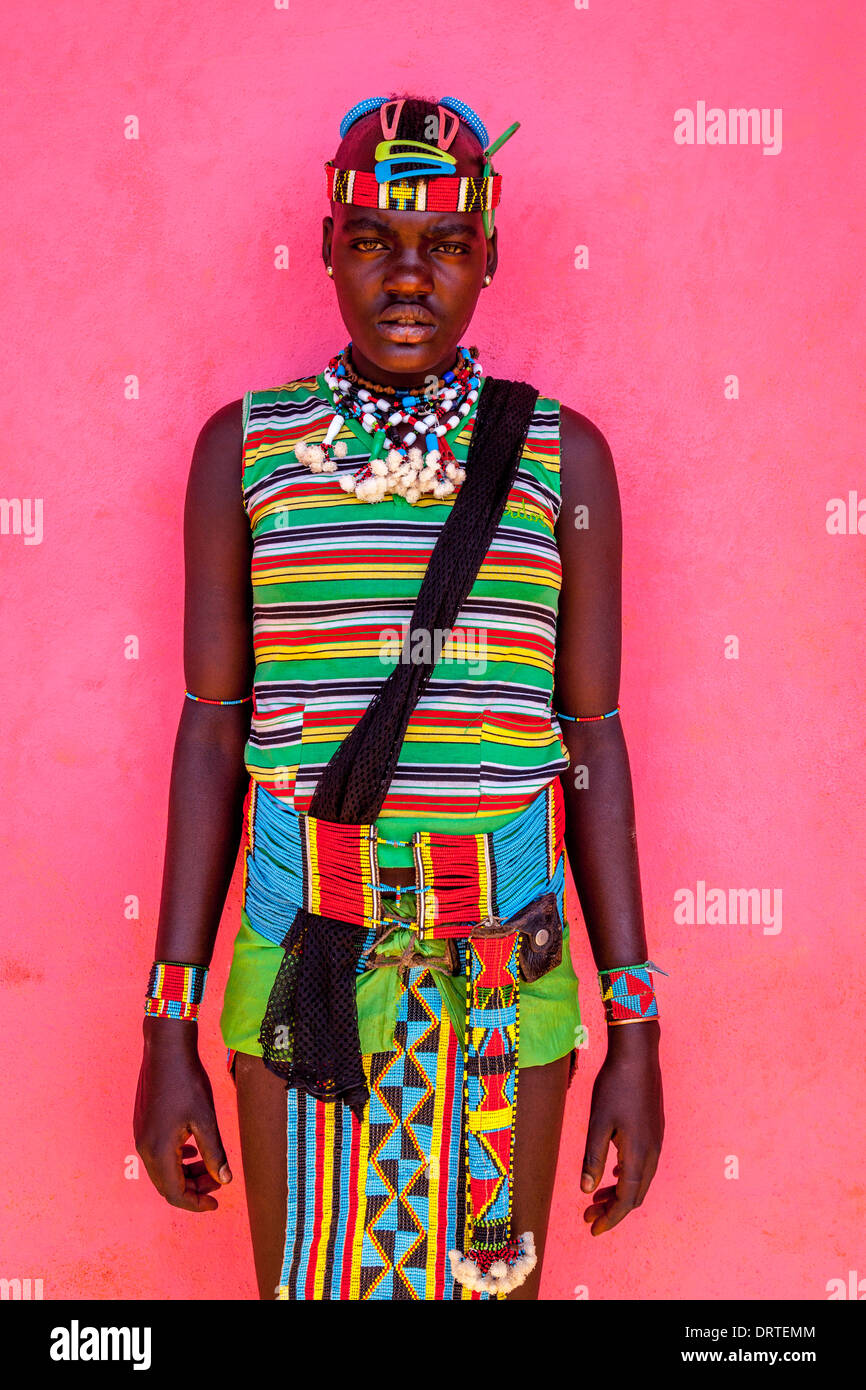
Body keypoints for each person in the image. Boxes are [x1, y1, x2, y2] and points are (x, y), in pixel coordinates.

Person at [133, 91, 665, 1301]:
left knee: (488, 1289)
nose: (408, 276)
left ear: (491, 255)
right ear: (326, 247)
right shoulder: (246, 452)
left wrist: (632, 1029)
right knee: (308, 1285)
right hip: (299, 952)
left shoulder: (560, 458)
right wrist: (168, 1022)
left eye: (445, 245)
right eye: (372, 240)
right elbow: (212, 735)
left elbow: (591, 742)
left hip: (500, 962)